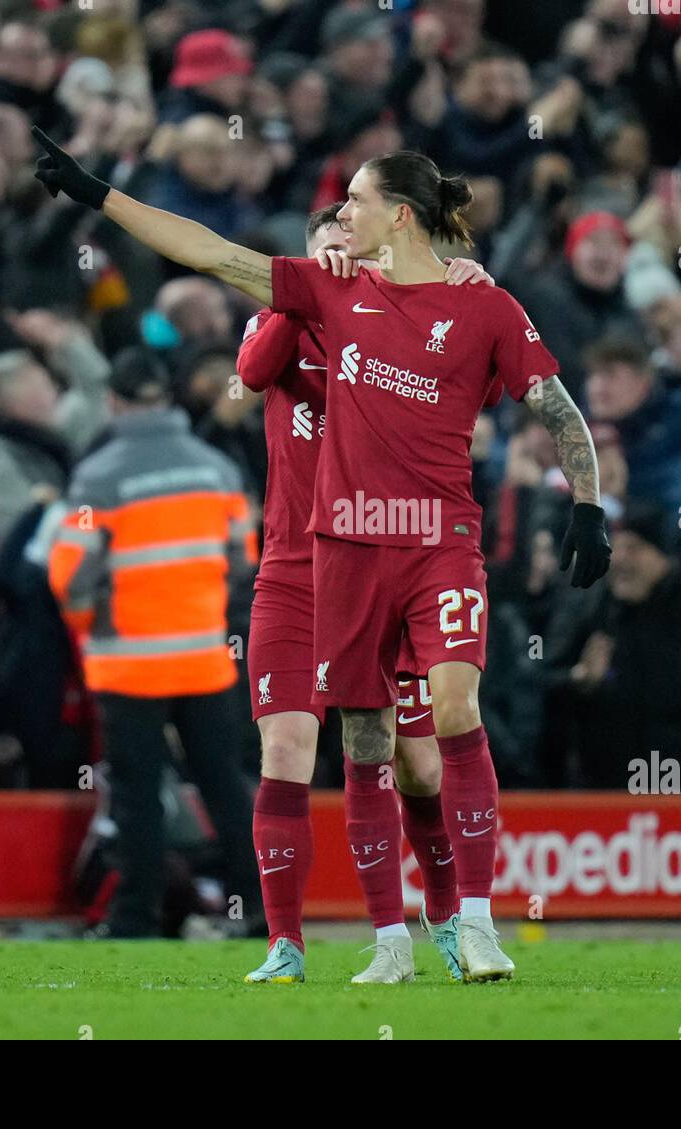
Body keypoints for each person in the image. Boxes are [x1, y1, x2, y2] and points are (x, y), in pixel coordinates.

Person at [32, 130, 612, 982]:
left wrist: (589, 504)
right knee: (367, 744)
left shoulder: (485, 305)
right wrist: (99, 196)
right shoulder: (329, 295)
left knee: (454, 711)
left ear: (400, 215)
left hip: (438, 540)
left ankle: (478, 922)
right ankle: (385, 943)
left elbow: (558, 408)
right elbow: (211, 252)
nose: (343, 216)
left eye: (358, 203)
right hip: (342, 549)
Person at [237, 203, 497, 985]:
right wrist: (303, 293)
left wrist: (470, 281)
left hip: (390, 560)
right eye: (325, 253)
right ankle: (286, 943)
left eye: (353, 248)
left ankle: (448, 918)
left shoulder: (405, 330)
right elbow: (250, 376)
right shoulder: (278, 323)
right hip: (293, 573)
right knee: (285, 750)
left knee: (416, 764)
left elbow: (472, 369)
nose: (342, 263)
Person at [47, 350, 260, 939]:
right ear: (166, 400)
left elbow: (70, 570)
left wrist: (92, 624)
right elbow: (245, 556)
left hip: (129, 661)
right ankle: (264, 911)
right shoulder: (216, 469)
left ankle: (134, 918)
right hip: (203, 655)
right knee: (224, 786)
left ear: (113, 403)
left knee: (138, 795)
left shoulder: (99, 476)